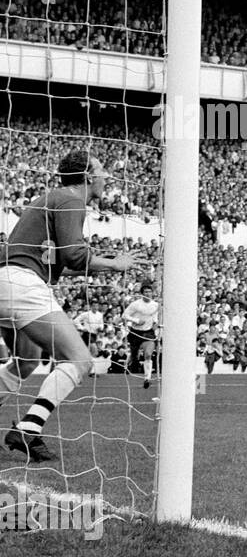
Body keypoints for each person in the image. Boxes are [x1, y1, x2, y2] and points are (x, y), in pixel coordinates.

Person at [0, 150, 142, 462]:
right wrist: (115, 264)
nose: (107, 177)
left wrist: (107, 264)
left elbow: (59, 265)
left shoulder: (53, 198)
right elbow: (76, 257)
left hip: (7, 281)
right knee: (79, 360)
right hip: (22, 285)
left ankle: (27, 427)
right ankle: (28, 428)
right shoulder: (71, 200)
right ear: (89, 176)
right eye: (102, 170)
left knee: (27, 361)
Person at [123, 280, 161, 389]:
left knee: (148, 354)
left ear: (152, 293)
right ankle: (130, 363)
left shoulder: (155, 305)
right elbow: (124, 315)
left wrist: (155, 323)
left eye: (149, 292)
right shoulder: (135, 304)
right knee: (134, 357)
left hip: (148, 333)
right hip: (135, 333)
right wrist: (135, 320)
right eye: (145, 292)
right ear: (142, 293)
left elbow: (156, 317)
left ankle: (147, 378)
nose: (148, 294)